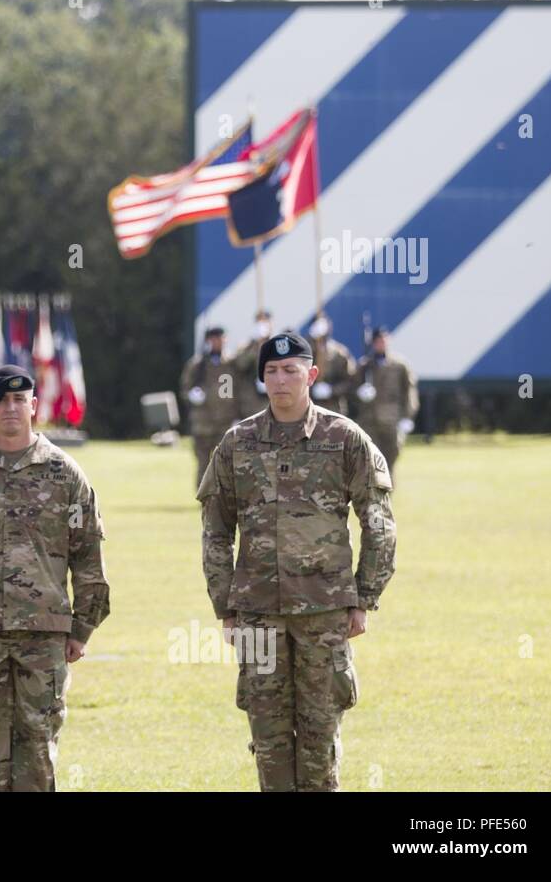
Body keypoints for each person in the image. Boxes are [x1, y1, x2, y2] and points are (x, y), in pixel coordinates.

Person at [197, 331, 396, 792]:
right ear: (262, 378)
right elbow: (215, 531)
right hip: (257, 613)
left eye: (290, 370)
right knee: (268, 741)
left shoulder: (345, 439)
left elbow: (379, 523)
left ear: (311, 374)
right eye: (271, 371)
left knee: (319, 739)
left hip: (324, 614)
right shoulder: (237, 443)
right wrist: (224, 606)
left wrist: (364, 598)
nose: (280, 379)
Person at [0, 365, 109, 791]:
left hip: (44, 633)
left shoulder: (64, 474)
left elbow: (88, 555)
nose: (11, 408)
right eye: (1, 401)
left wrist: (82, 627)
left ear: (34, 406)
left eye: (20, 400)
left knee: (37, 749)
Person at [351, 327, 418, 477]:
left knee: (390, 460)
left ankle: (388, 495)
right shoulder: (365, 365)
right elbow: (352, 389)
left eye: (383, 340)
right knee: (370, 461)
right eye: (377, 341)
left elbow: (409, 391)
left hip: (392, 420)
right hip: (369, 420)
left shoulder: (399, 365)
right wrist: (360, 392)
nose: (381, 344)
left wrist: (408, 416)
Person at [180, 326, 241, 486]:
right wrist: (192, 395)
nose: (218, 343)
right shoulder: (197, 365)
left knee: (226, 463)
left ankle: (224, 498)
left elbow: (239, 392)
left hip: (225, 422)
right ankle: (204, 498)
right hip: (203, 424)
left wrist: (238, 416)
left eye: (220, 339)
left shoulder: (231, 364)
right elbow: (185, 389)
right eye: (214, 339)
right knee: (203, 463)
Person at [307, 313, 356, 417]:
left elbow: (351, 381)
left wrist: (332, 390)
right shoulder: (305, 351)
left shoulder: (339, 353)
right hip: (308, 409)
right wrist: (311, 389)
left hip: (333, 410)